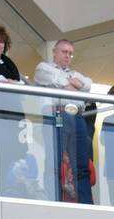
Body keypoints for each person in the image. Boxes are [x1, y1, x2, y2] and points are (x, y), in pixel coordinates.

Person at [34, 38, 95, 203]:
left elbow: (89, 84)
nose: (67, 56)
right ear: (54, 52)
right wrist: (72, 85)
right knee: (55, 162)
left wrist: (72, 84)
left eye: (70, 53)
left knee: (81, 165)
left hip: (77, 117)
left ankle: (86, 204)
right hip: (57, 115)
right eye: (64, 52)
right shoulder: (44, 67)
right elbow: (47, 77)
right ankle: (52, 200)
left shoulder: (75, 74)